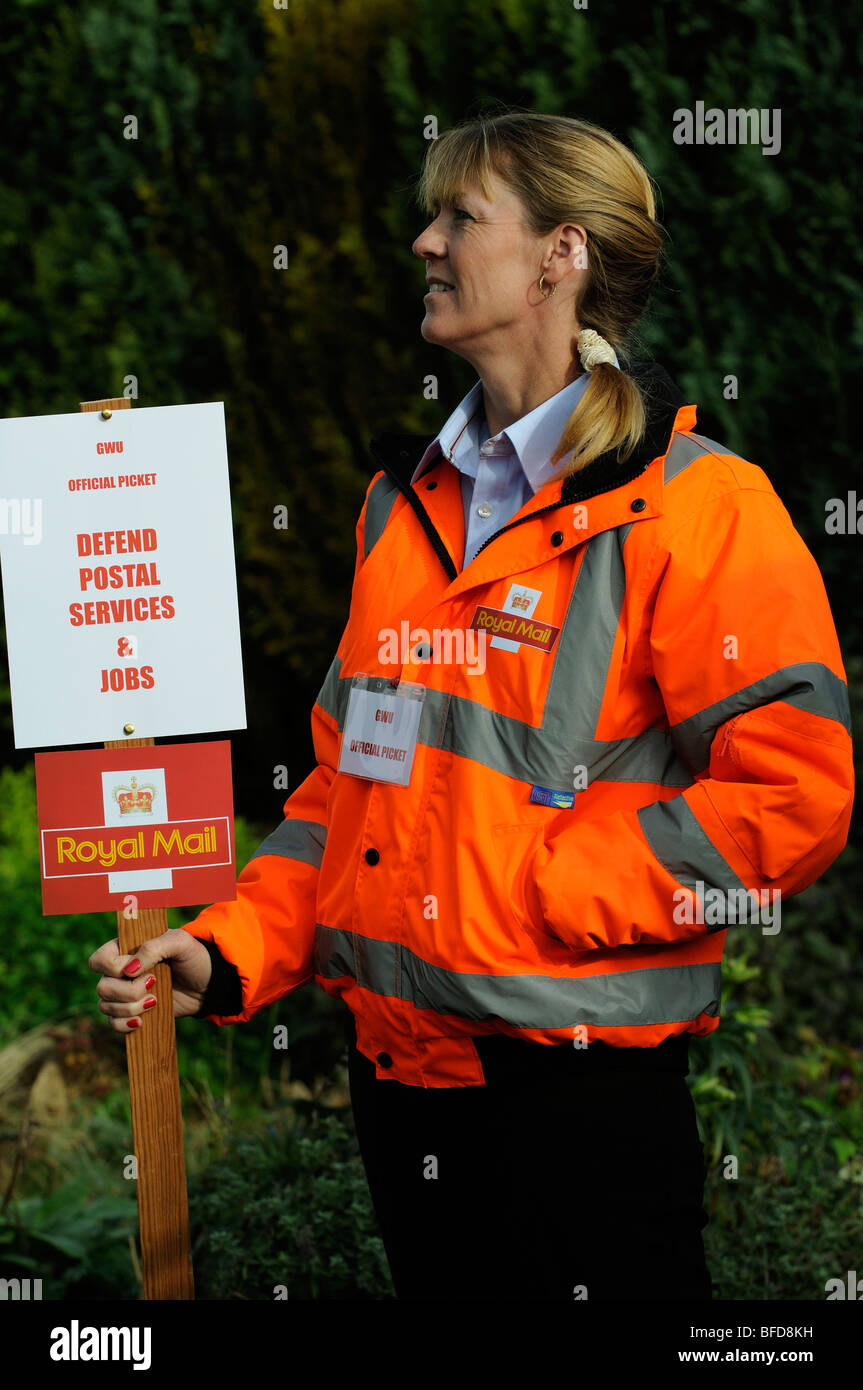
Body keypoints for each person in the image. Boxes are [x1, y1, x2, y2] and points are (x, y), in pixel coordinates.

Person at [89, 110, 854, 1301]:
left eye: (459, 216)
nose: (421, 241)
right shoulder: (399, 505)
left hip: (580, 1101)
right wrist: (226, 951)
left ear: (562, 254)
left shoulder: (698, 507)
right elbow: (347, 792)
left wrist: (535, 883)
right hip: (403, 1098)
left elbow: (790, 798)